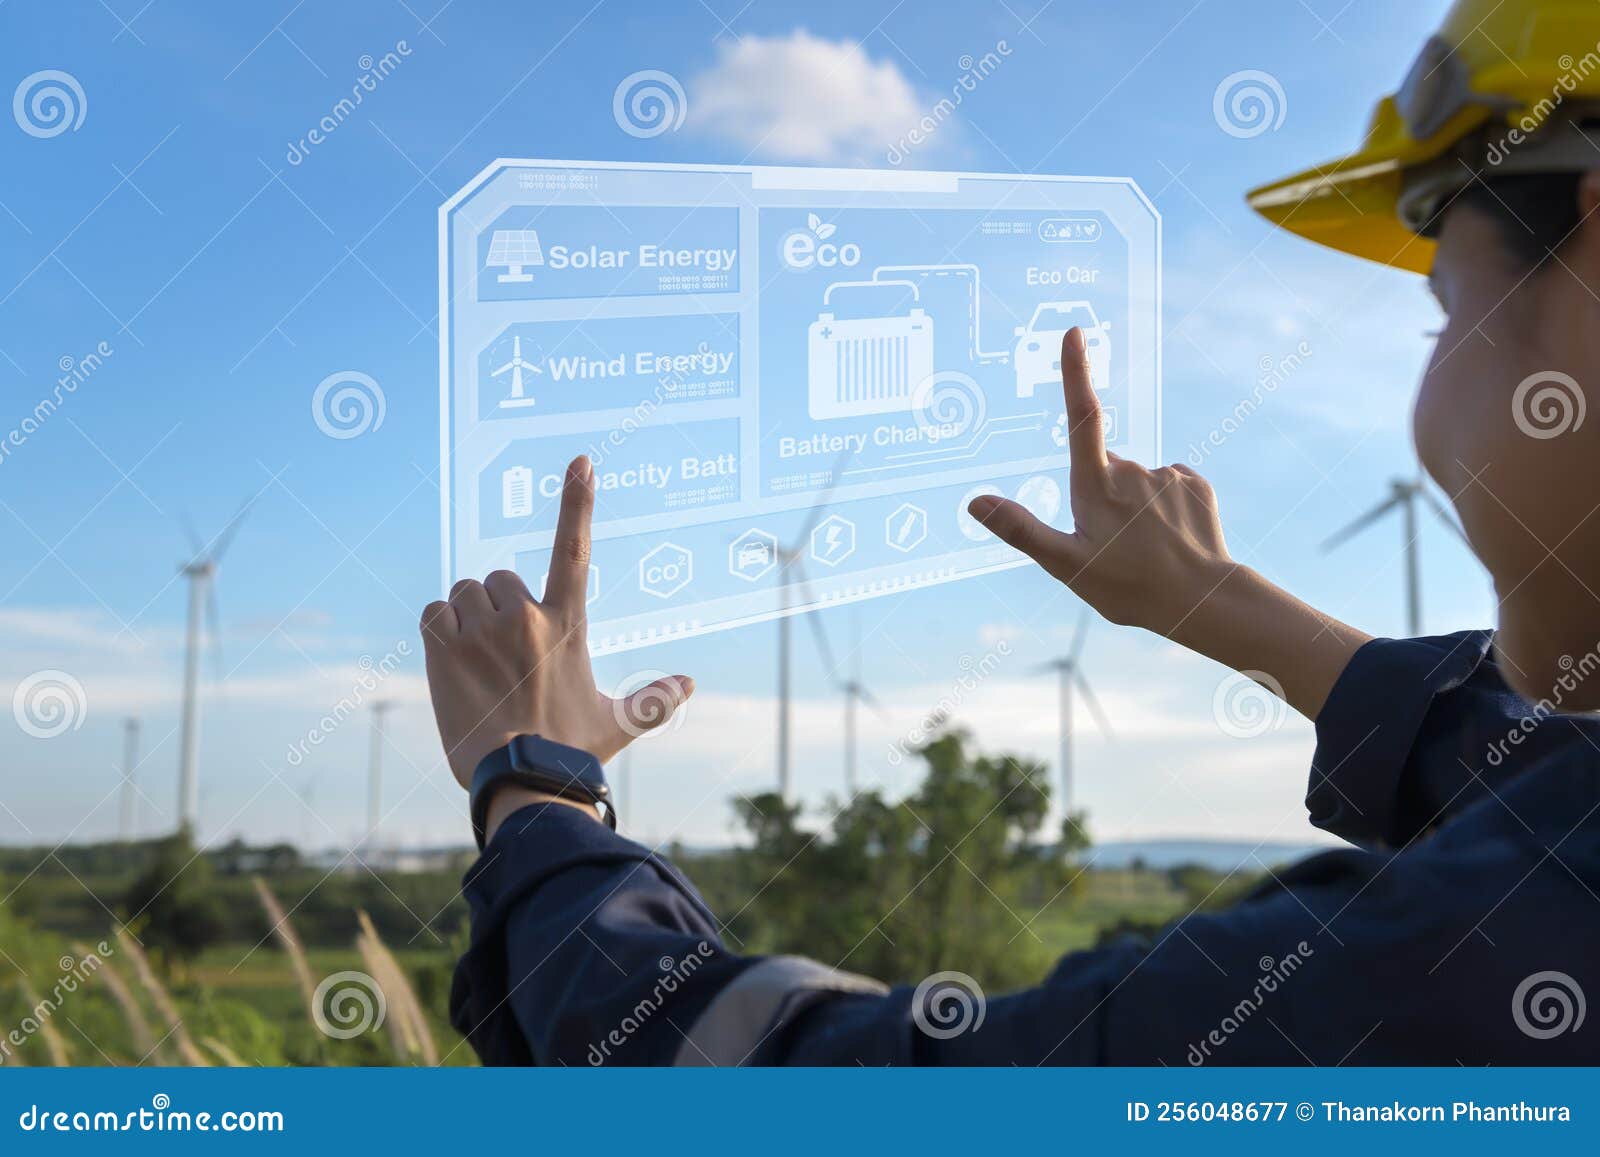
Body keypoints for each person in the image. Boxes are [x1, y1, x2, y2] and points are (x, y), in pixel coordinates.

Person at [423, 0, 1600, 1064]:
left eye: (1445, 308)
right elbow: (1548, 787)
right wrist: (1230, 609)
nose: (1427, 396)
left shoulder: (1454, 967)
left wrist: (534, 793)